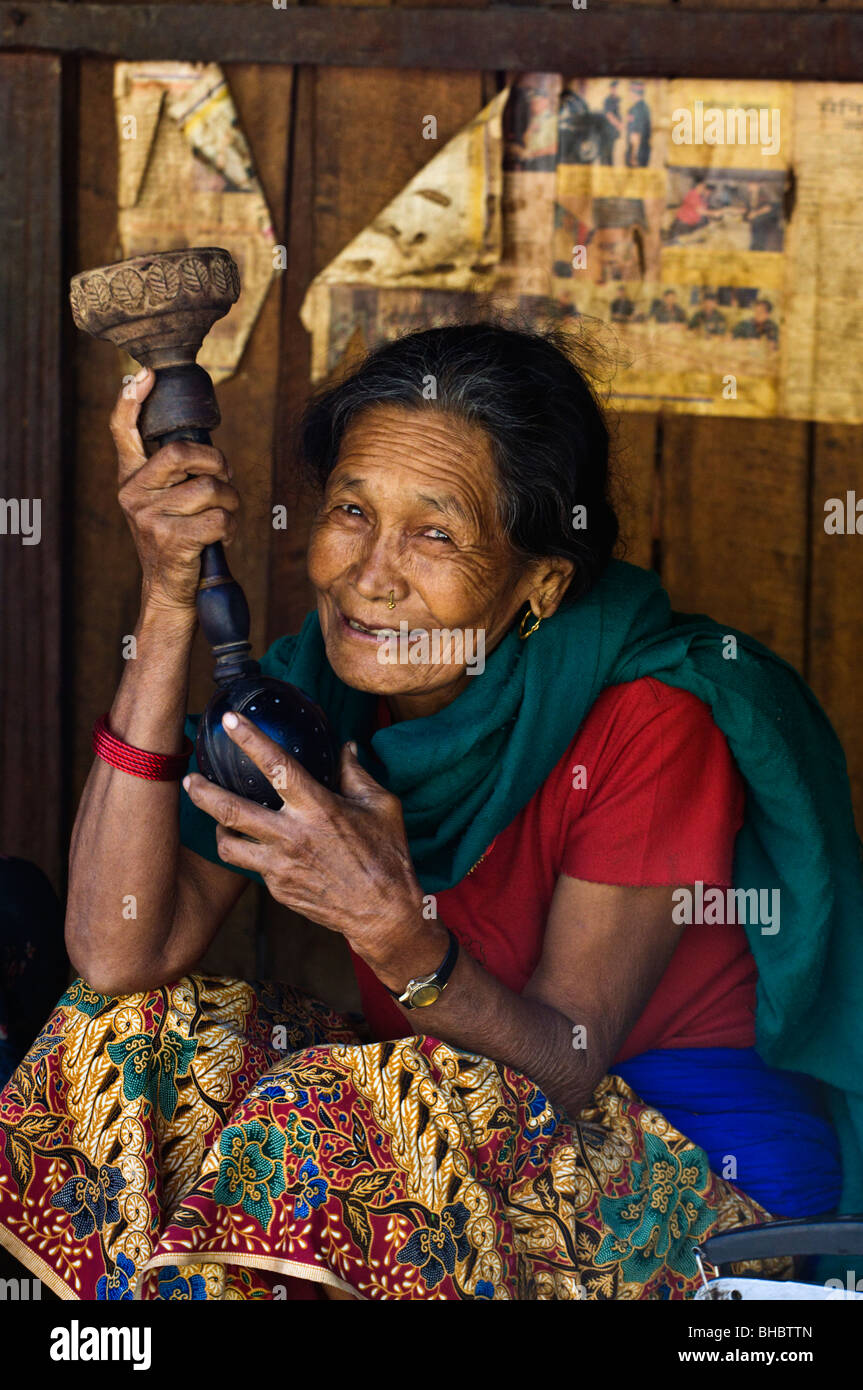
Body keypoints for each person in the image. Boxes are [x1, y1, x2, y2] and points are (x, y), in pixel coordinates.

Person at [0, 324, 858, 1302]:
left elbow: (568, 1065)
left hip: (688, 1171)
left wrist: (393, 930)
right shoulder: (310, 691)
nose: (372, 571)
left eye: (435, 532)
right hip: (444, 1111)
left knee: (324, 1110)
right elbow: (116, 956)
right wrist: (165, 596)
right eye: (351, 511)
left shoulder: (648, 717)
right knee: (130, 1034)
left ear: (538, 584)